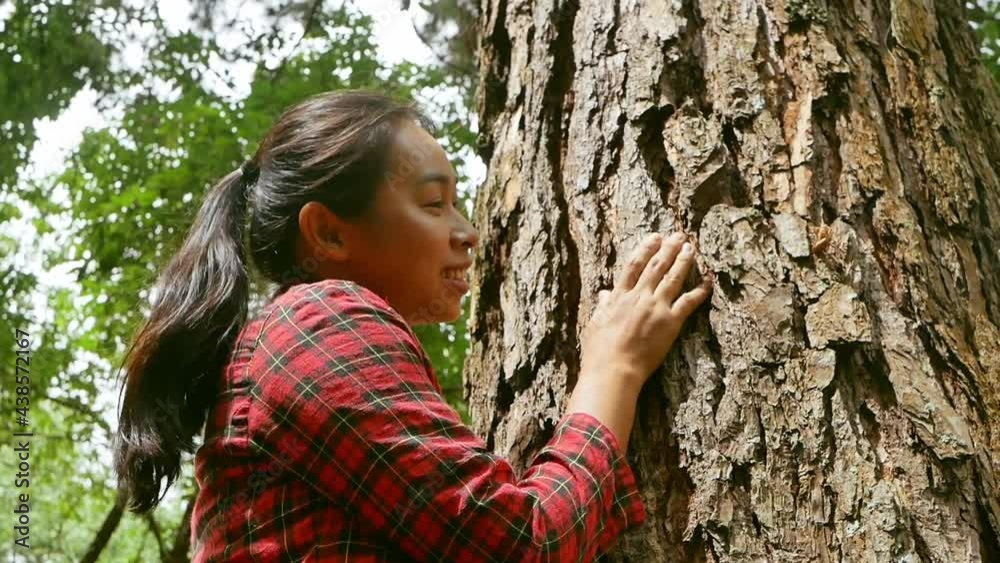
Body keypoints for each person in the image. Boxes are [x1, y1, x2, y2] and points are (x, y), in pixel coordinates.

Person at [112, 89, 712, 561]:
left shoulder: (288, 345)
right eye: (432, 204)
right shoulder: (318, 319)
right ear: (329, 232)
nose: (467, 232)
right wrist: (614, 368)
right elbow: (521, 545)